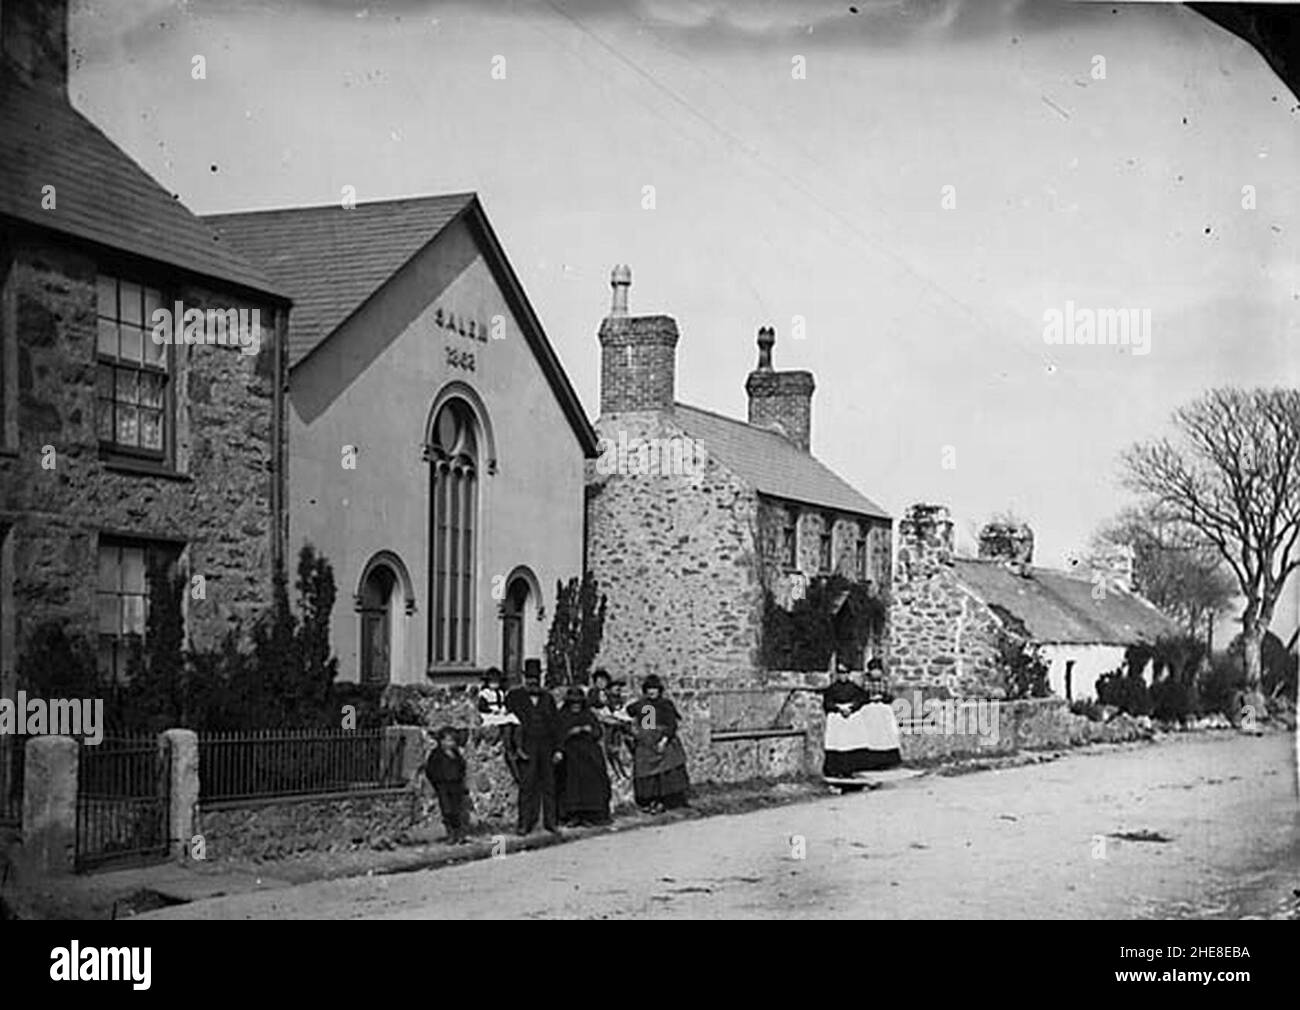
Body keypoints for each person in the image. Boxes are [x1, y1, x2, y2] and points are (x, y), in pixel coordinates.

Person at [505, 662, 561, 835]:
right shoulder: (514, 697)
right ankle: (524, 824)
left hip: (546, 746)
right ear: (524, 678)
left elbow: (555, 725)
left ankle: (550, 823)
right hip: (527, 746)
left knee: (549, 786)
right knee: (527, 786)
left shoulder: (547, 698)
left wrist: (558, 749)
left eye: (535, 678)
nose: (533, 681)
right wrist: (514, 748)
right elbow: (509, 722)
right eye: (529, 678)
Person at [626, 674, 690, 812]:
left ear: (659, 690)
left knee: (665, 771)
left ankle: (664, 801)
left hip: (662, 739)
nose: (651, 691)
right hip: (647, 742)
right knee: (647, 773)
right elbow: (629, 711)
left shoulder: (665, 704)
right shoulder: (641, 704)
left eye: (654, 688)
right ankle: (651, 800)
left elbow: (672, 724)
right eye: (649, 688)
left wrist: (664, 740)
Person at [555, 686, 612, 826]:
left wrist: (589, 730)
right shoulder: (562, 715)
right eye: (573, 703)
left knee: (594, 776)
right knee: (570, 782)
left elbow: (598, 732)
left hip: (588, 752)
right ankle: (572, 815)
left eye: (578, 703)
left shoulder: (588, 714)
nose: (576, 706)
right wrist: (570, 733)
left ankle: (590, 814)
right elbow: (557, 735)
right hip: (571, 754)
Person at [821, 664, 874, 779]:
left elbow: (862, 699)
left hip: (851, 717)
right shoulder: (832, 688)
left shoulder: (854, 688)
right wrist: (838, 708)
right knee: (837, 744)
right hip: (837, 718)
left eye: (845, 673)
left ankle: (850, 770)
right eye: (840, 674)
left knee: (851, 743)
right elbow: (827, 703)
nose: (842, 676)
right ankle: (835, 770)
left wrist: (852, 708)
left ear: (848, 674)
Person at [424, 726, 470, 844]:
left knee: (457, 810)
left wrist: (462, 780)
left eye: (453, 741)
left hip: (456, 785)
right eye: (448, 740)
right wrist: (437, 782)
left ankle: (458, 834)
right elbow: (430, 770)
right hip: (443, 786)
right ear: (441, 741)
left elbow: (462, 767)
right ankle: (450, 833)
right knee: (447, 810)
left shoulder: (456, 755)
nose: (450, 743)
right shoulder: (436, 754)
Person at [860, 661, 902, 770]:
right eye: (873, 670)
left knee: (885, 734)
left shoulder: (885, 681)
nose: (876, 673)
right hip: (869, 709)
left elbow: (891, 696)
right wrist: (869, 698)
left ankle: (886, 760)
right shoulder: (864, 681)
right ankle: (870, 759)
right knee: (871, 734)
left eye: (878, 670)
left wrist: (882, 698)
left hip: (883, 709)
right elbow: (860, 695)